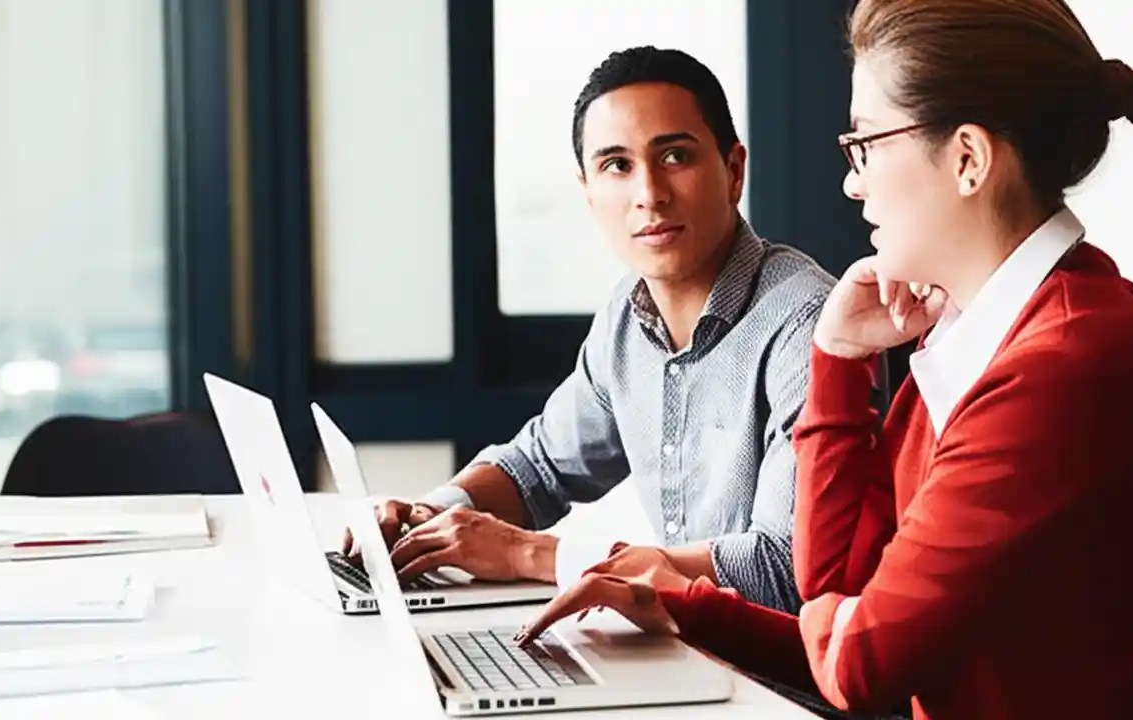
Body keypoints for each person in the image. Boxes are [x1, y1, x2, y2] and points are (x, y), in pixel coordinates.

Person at [517, 2, 1133, 718]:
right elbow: (836, 584)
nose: (854, 182)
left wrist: (834, 619)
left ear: (967, 159)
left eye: (867, 144)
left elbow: (862, 661)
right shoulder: (978, 335)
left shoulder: (1058, 365)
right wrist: (839, 360)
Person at [341, 46, 837, 611]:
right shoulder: (628, 314)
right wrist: (428, 517)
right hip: (695, 649)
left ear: (733, 171)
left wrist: (533, 554)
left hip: (790, 681)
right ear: (588, 192)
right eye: (617, 166)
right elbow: (539, 468)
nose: (649, 194)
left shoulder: (808, 323)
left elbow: (785, 568)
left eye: (674, 156)